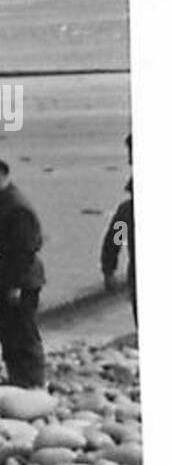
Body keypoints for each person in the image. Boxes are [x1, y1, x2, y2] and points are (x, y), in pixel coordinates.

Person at [0, 157, 46, 388]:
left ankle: (31, 379)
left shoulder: (16, 207)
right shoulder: (3, 202)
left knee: (23, 329)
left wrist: (16, 285)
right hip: (9, 275)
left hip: (20, 278)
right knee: (6, 327)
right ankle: (17, 376)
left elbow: (24, 248)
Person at [101, 133, 135, 324]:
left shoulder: (126, 213)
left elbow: (115, 242)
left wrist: (109, 270)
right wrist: (109, 270)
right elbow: (115, 241)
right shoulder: (126, 213)